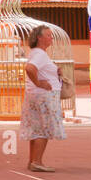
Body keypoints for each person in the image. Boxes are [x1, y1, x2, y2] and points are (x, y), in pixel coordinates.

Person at [19, 24, 66, 171]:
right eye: (48, 35)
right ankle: (37, 162)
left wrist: (54, 72)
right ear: (39, 38)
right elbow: (30, 69)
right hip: (44, 96)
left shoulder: (36, 53)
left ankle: (33, 160)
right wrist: (39, 83)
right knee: (43, 129)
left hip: (36, 95)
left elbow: (37, 69)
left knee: (36, 128)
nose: (51, 38)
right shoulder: (39, 54)